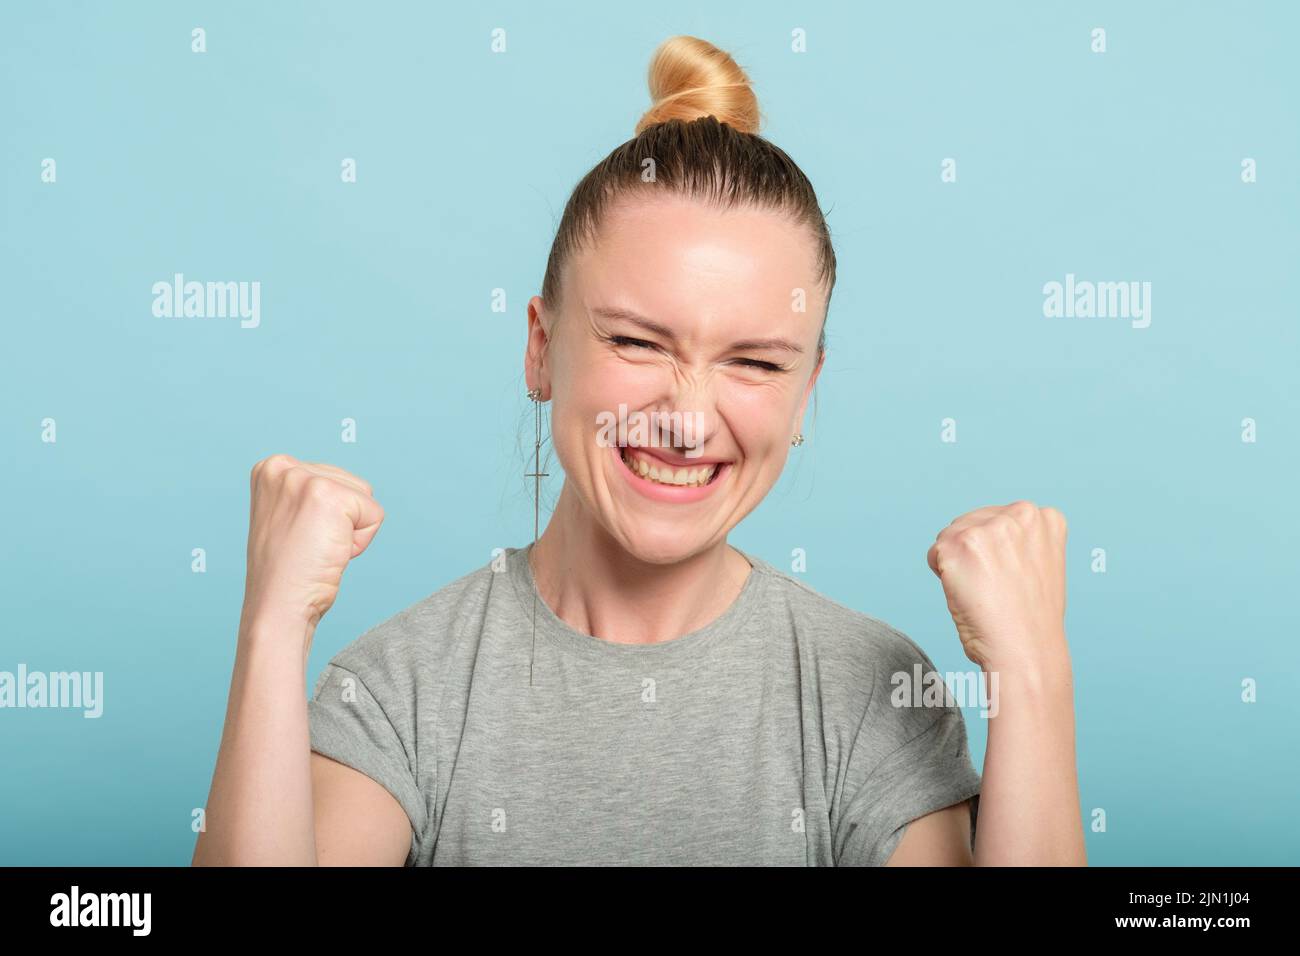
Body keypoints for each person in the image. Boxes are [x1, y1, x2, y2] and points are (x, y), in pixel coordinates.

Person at [192, 35, 1085, 867]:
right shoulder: (401, 688)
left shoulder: (873, 692)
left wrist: (1034, 672)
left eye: (754, 361)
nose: (687, 422)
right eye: (635, 343)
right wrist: (271, 630)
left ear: (806, 390)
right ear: (541, 349)